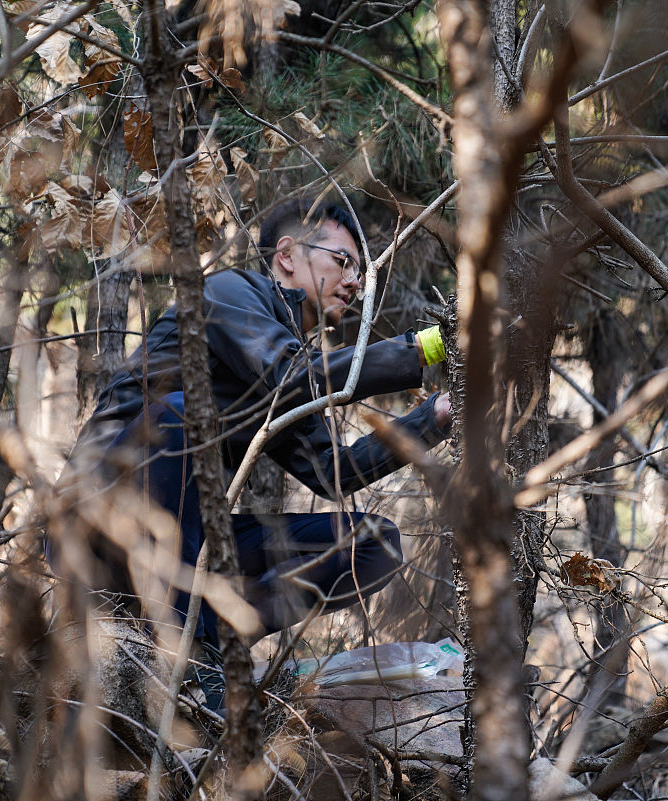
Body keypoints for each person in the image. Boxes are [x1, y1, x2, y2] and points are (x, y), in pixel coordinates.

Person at [56, 198, 450, 703]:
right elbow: (287, 377)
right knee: (179, 415)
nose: (355, 282)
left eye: (361, 271)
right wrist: (424, 349)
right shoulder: (227, 293)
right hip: (97, 524)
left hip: (184, 547)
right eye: (343, 261)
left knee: (376, 542)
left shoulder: (295, 371)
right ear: (287, 255)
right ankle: (178, 652)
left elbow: (334, 471)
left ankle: (220, 634)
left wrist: (432, 419)